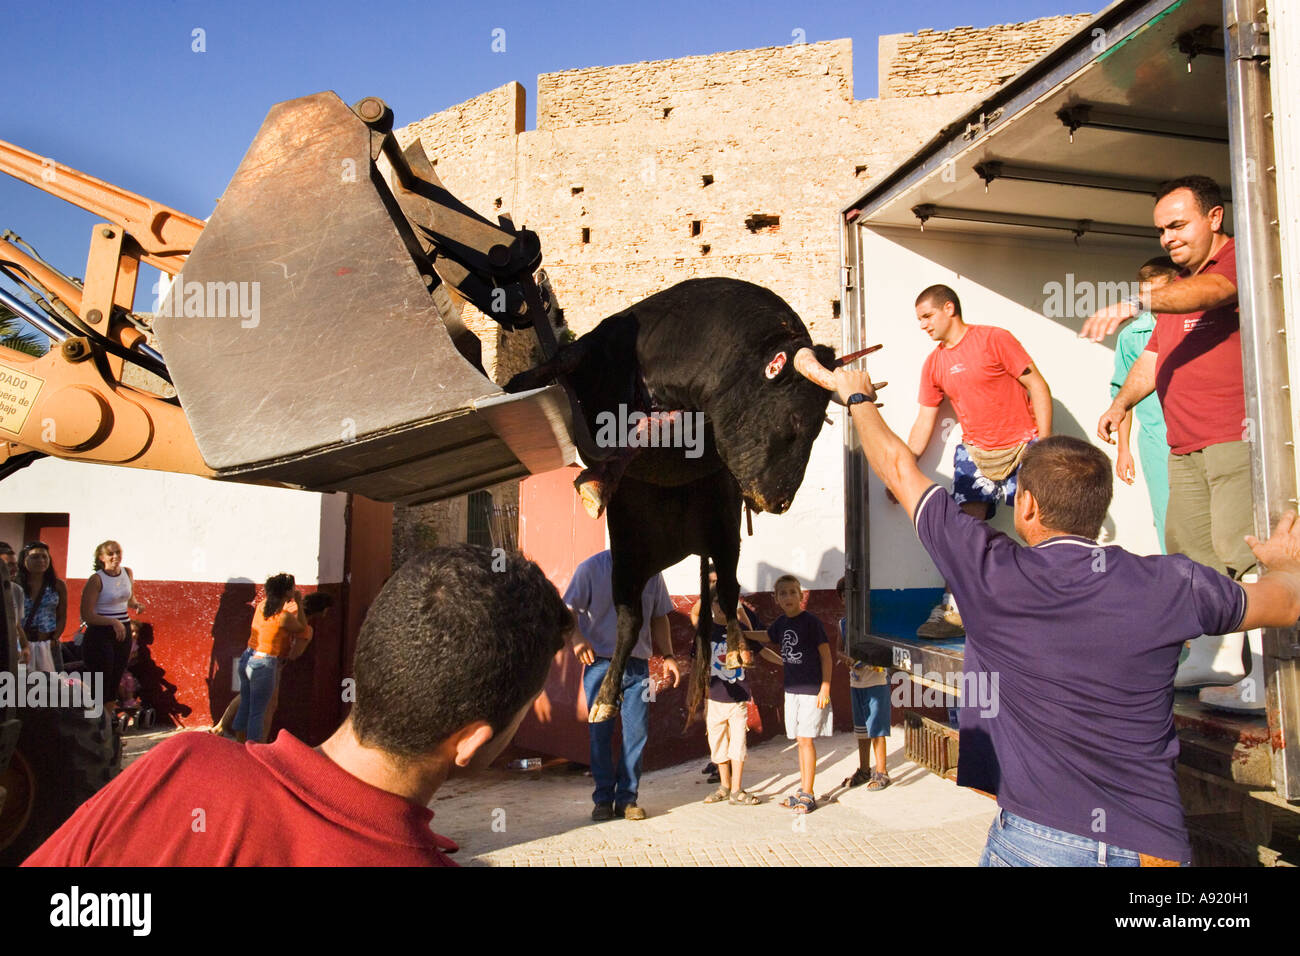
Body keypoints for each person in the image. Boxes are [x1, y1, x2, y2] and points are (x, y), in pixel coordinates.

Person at [834, 362, 1300, 866]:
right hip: (1152, 849)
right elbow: (1287, 600)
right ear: (1098, 508)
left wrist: (859, 398)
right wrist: (1285, 565)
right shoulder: (1171, 583)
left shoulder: (989, 572)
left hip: (1037, 845)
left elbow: (901, 470)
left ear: (1026, 506)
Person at [24, 544, 571, 866]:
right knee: (255, 715)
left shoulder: (178, 768)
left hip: (254, 668)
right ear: (473, 740)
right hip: (265, 666)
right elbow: (301, 637)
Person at [1085, 176, 1256, 699]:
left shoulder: (1232, 265)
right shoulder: (1179, 290)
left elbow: (1216, 293)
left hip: (1234, 439)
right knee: (1192, 554)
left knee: (1245, 552)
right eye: (1161, 229)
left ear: (1215, 218)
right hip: (1185, 445)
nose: (1168, 237)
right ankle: (1215, 660)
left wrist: (1136, 303)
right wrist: (1119, 404)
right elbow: (1153, 359)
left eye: (1178, 224)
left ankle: (1271, 679)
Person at [906, 284, 1052, 638]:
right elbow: (926, 419)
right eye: (919, 320)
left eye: (927, 316)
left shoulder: (994, 339)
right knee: (963, 534)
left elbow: (1039, 387)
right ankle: (953, 611)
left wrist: (1044, 447)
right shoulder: (934, 364)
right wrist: (904, 470)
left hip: (1023, 448)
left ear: (948, 309)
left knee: (1038, 528)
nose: (923, 325)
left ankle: (1050, 610)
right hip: (975, 453)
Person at [565, 549, 681, 821]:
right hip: (600, 666)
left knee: (636, 733)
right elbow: (567, 610)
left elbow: (659, 616)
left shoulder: (652, 571)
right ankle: (603, 800)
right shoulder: (590, 568)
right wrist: (577, 639)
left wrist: (668, 655)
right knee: (600, 734)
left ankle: (627, 800)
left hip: (638, 668)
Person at [1109, 257, 1180, 547]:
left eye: (1162, 293)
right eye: (1148, 295)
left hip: (1199, 437)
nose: (1155, 301)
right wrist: (1123, 449)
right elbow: (1122, 396)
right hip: (1156, 443)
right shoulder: (1131, 336)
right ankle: (1180, 581)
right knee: (1167, 517)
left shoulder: (1193, 325)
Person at [212, 591, 332, 737]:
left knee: (247, 694)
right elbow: (294, 655)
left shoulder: (285, 606)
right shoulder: (305, 629)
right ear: (322, 611)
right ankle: (260, 742)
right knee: (269, 705)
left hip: (253, 652)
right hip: (271, 661)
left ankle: (221, 725)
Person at [766, 574, 832, 813]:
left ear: (801, 595)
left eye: (793, 592)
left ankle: (808, 793)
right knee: (799, 741)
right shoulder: (781, 624)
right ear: (776, 599)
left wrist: (825, 686)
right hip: (791, 691)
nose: (788, 597)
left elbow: (826, 655)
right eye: (782, 593)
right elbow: (767, 636)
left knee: (806, 740)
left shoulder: (811, 622)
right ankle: (803, 790)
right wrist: (741, 634)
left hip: (812, 691)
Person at [230, 574, 309, 744]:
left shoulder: (261, 606)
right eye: (292, 588)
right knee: (258, 711)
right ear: (287, 592)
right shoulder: (284, 617)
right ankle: (255, 749)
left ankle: (238, 743)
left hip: (247, 657)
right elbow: (302, 626)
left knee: (245, 705)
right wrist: (299, 603)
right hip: (263, 664)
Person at [700, 588, 761, 806]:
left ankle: (736, 788)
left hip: (738, 698)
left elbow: (760, 649)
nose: (722, 605)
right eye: (717, 601)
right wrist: (695, 697)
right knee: (717, 744)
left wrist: (784, 662)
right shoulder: (704, 632)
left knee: (738, 743)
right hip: (714, 698)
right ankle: (724, 785)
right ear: (711, 605)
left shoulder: (740, 629)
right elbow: (698, 665)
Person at [834, 576, 890, 791]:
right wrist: (846, 659)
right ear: (841, 599)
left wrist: (868, 661)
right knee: (862, 731)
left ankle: (882, 771)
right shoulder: (842, 624)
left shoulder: (872, 622)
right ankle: (865, 769)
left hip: (876, 682)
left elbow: (883, 649)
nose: (850, 600)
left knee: (878, 729)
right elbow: (838, 649)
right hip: (856, 684)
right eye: (846, 596)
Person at [80, 540, 142, 704]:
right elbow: (86, 614)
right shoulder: (96, 579)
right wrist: (112, 622)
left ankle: (106, 725)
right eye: (110, 553)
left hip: (123, 630)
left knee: (115, 679)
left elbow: (129, 599)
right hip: (101, 633)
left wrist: (136, 605)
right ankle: (95, 722)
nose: (116, 556)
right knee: (101, 680)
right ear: (101, 558)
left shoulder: (127, 573)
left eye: (118, 552)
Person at [20, 541, 69, 673]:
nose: (41, 560)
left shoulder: (58, 585)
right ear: (24, 560)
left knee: (52, 687)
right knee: (19, 686)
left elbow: (62, 615)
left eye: (44, 557)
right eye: (35, 557)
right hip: (21, 645)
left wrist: (54, 639)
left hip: (48, 644)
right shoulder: (16, 585)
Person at [0, 542, 31, 666]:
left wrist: (25, 647)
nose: (15, 569)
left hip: (12, 654)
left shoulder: (16, 590)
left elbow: (16, 624)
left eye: (16, 564)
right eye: (9, 565)